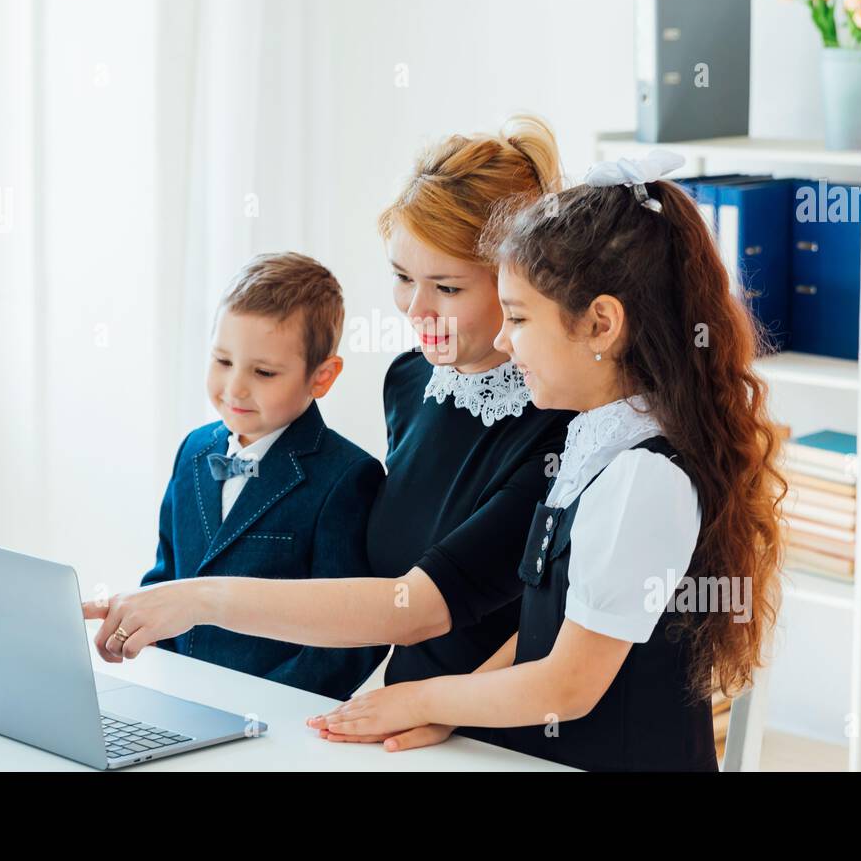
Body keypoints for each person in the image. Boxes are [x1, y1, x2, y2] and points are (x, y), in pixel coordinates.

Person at [84, 116, 573, 751]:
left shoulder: (559, 419)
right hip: (401, 715)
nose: (415, 311)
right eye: (401, 277)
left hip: (501, 728)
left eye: (447, 287)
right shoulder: (411, 382)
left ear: (514, 282)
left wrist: (447, 707)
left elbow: (440, 604)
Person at [310, 151, 787, 769]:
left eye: (518, 317)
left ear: (600, 325)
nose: (504, 341)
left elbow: (567, 684)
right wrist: (442, 707)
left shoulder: (643, 478)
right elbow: (551, 629)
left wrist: (417, 697)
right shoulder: (599, 446)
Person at [137, 252, 385, 701]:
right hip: (176, 699)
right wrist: (141, 645)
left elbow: (351, 642)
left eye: (264, 372)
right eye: (223, 361)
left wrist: (263, 710)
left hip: (274, 719)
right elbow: (166, 576)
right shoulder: (194, 449)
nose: (234, 388)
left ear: (322, 377)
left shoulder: (348, 476)